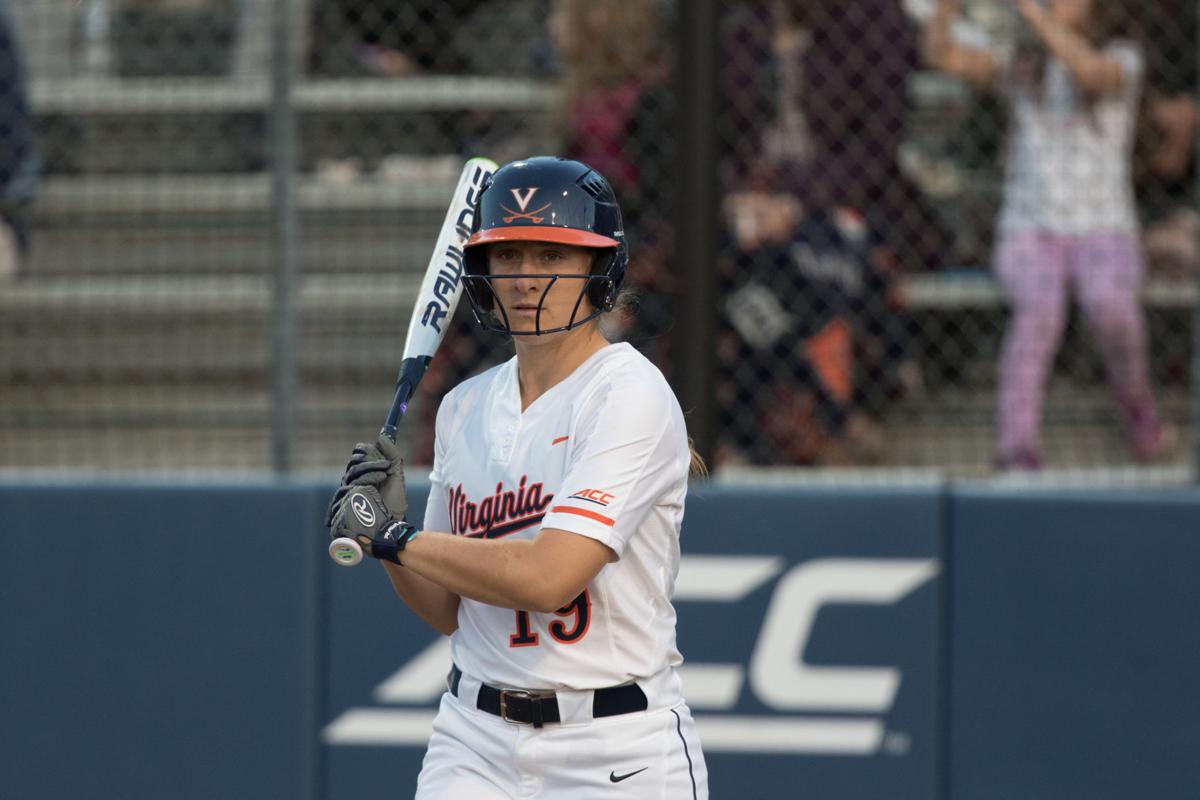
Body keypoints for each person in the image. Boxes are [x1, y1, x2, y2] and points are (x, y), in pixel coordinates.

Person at [325, 156, 709, 799]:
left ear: (597, 268)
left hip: (615, 752)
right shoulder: (464, 407)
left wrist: (395, 537)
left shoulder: (627, 393)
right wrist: (388, 547)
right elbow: (449, 611)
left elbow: (547, 579)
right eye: (509, 258)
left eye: (551, 256)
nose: (527, 279)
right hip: (473, 742)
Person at [924, 0, 1171, 470]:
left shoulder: (1124, 56)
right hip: (1029, 228)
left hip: (1105, 228)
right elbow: (942, 57)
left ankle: (1138, 408)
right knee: (1038, 309)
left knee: (1109, 305)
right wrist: (945, 10)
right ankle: (1016, 447)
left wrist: (1035, 17)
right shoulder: (1019, 60)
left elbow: (1091, 75)